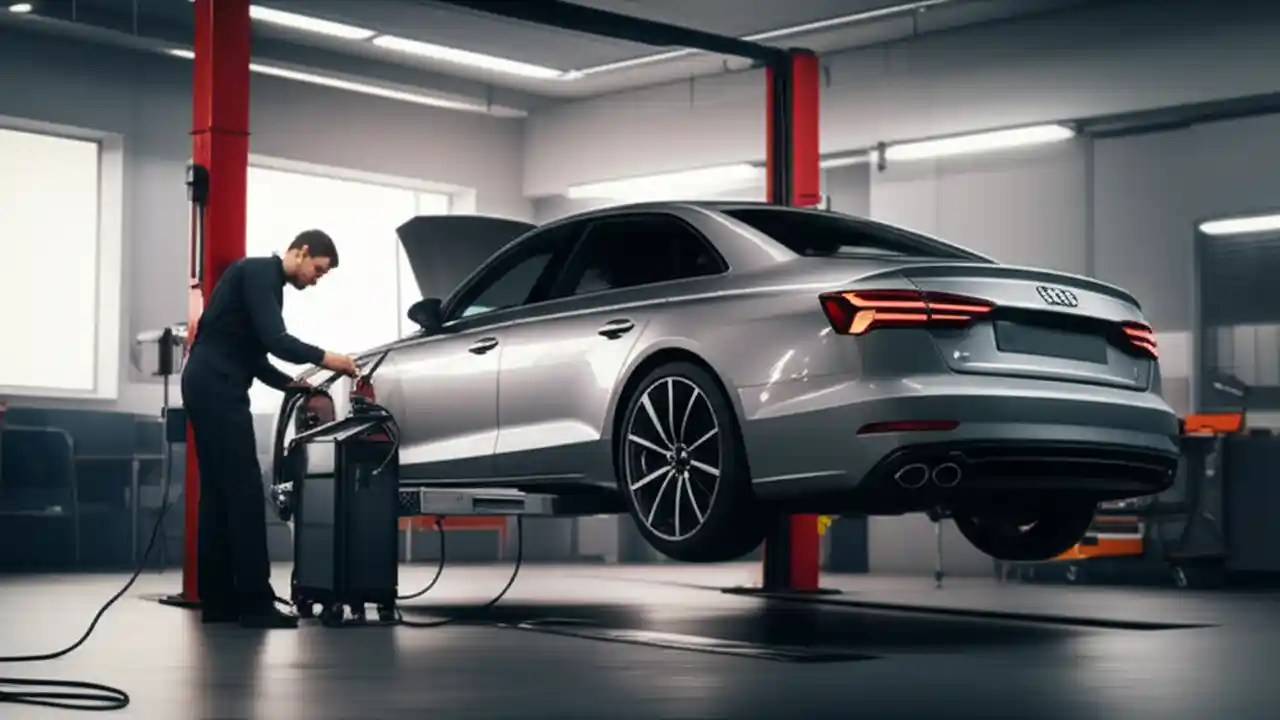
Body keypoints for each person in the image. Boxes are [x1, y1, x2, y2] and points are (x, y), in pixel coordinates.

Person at [181, 229, 358, 628]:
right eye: (318, 270)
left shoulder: (258, 278)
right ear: (302, 252)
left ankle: (219, 602)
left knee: (218, 493)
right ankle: (255, 603)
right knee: (244, 491)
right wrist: (331, 359)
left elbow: (253, 355)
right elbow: (277, 341)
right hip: (218, 386)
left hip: (206, 380)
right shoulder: (262, 273)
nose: (316, 280)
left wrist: (291, 385)